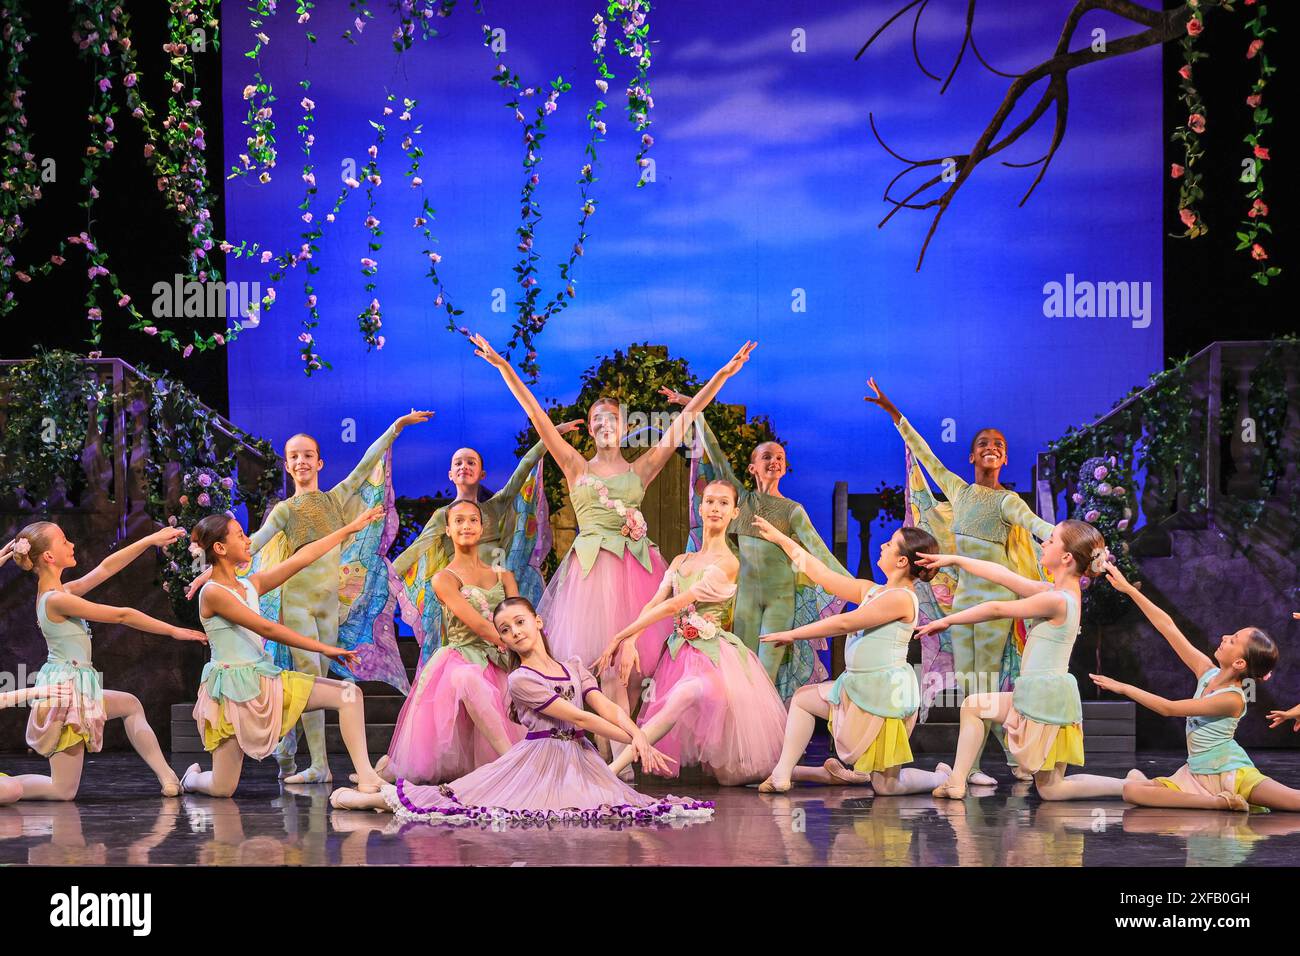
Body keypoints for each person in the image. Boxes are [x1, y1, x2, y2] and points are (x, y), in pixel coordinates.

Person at [469, 332, 755, 728]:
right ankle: (610, 753)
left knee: (634, 668)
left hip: (635, 569)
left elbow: (686, 419)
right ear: (589, 428)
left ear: (623, 428)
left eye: (613, 420)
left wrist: (723, 375)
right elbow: (536, 415)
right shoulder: (574, 465)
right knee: (596, 668)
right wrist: (504, 368)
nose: (606, 425)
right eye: (598, 420)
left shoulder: (643, 467)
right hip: (589, 576)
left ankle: (626, 748)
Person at [189, 409, 432, 783]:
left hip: (328, 606)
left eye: (307, 455)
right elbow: (252, 545)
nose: (301, 461)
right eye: (293, 456)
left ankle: (291, 752)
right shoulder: (286, 510)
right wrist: (209, 568)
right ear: (287, 466)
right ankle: (319, 764)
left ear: (319, 462)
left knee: (316, 683)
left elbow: (367, 463)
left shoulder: (335, 501)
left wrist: (396, 428)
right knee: (307, 675)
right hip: (299, 603)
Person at [328, 596, 714, 827]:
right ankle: (366, 799)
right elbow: (577, 718)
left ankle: (375, 796)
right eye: (506, 629)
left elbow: (606, 707)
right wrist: (635, 739)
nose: (514, 632)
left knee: (608, 808)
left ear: (537, 621)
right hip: (539, 757)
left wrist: (639, 733)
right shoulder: (520, 680)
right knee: (463, 800)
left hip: (578, 759)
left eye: (520, 622)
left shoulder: (574, 668)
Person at [866, 378, 1053, 784]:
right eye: (984, 442)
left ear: (1004, 458)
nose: (992, 446)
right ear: (972, 455)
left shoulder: (1008, 501)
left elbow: (1036, 525)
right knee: (971, 685)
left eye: (999, 444)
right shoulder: (960, 489)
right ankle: (995, 762)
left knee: (986, 682)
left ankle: (982, 765)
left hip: (995, 601)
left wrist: (1063, 536)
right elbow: (926, 456)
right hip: (963, 599)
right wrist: (895, 413)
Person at [178, 509, 389, 797]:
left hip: (267, 680)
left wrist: (350, 527)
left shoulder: (250, 585)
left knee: (349, 695)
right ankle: (191, 779)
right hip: (233, 691)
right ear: (220, 548)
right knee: (223, 788)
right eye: (241, 536)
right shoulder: (212, 593)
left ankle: (367, 777)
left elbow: (303, 557)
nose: (248, 541)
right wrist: (326, 648)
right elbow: (269, 629)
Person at [660, 387, 848, 701]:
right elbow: (716, 455)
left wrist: (855, 587)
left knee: (766, 676)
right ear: (752, 467)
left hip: (780, 601)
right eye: (767, 457)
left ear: (785, 467)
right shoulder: (741, 501)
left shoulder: (792, 511)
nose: (774, 461)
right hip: (745, 598)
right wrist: (692, 408)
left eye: (780, 457)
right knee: (742, 670)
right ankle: (743, 745)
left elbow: (819, 551)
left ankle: (774, 749)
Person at [921, 520, 1127, 801]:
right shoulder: (1054, 593)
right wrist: (954, 559)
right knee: (1051, 788)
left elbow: (996, 608)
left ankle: (1127, 786)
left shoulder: (1057, 600)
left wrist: (946, 620)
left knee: (1052, 788)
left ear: (1066, 557)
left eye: (1051, 540)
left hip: (1044, 694)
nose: (1044, 543)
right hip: (1041, 691)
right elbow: (1002, 575)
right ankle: (956, 781)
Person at [599, 480, 787, 786]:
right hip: (681, 657)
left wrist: (619, 635)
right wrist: (631, 640)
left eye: (724, 503)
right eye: (710, 501)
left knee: (685, 695)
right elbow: (654, 603)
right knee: (730, 776)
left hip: (716, 660)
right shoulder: (681, 561)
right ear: (699, 508)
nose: (715, 508)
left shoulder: (728, 563)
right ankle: (814, 772)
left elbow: (675, 605)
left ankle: (610, 771)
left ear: (734, 512)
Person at [3, 524, 206, 800]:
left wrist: (147, 541)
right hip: (65, 687)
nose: (72, 544)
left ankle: (168, 776)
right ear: (49, 556)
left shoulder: (62, 593)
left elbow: (106, 568)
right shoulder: (56, 600)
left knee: (130, 705)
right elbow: (122, 615)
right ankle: (5, 785)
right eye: (64, 541)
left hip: (71, 682)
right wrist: (173, 630)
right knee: (61, 790)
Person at [755, 522, 953, 796]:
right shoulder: (870, 590)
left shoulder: (902, 599)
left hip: (882, 693)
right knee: (802, 700)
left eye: (890, 544)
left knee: (887, 786)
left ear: (902, 560)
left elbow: (845, 622)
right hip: (856, 686)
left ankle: (940, 777)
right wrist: (782, 540)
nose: (883, 546)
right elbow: (821, 574)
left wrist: (793, 634)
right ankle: (782, 774)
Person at [1094, 562, 1299, 812]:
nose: (1224, 637)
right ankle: (1216, 802)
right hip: (1195, 774)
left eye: (1233, 640)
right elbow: (1168, 627)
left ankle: (1222, 801)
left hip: (1233, 772)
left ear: (1239, 662)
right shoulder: (1206, 670)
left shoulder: (1233, 699)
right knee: (1131, 791)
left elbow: (1169, 709)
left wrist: (1124, 688)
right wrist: (1129, 589)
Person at [394, 427, 576, 670]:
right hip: (463, 593)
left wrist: (550, 435)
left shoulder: (495, 506)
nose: (464, 466)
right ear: (450, 474)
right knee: (465, 659)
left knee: (512, 647)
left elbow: (523, 469)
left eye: (471, 462)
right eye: (458, 463)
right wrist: (385, 574)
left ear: (482, 473)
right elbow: (417, 549)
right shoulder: (444, 517)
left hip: (495, 590)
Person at [381, 499, 525, 784]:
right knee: (467, 680)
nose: (467, 526)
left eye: (473, 520)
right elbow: (479, 624)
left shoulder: (503, 574)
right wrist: (518, 643)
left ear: (482, 527)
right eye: (459, 521)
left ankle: (516, 763)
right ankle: (514, 764)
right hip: (463, 656)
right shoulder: (443, 579)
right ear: (447, 530)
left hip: (501, 659)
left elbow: (518, 615)